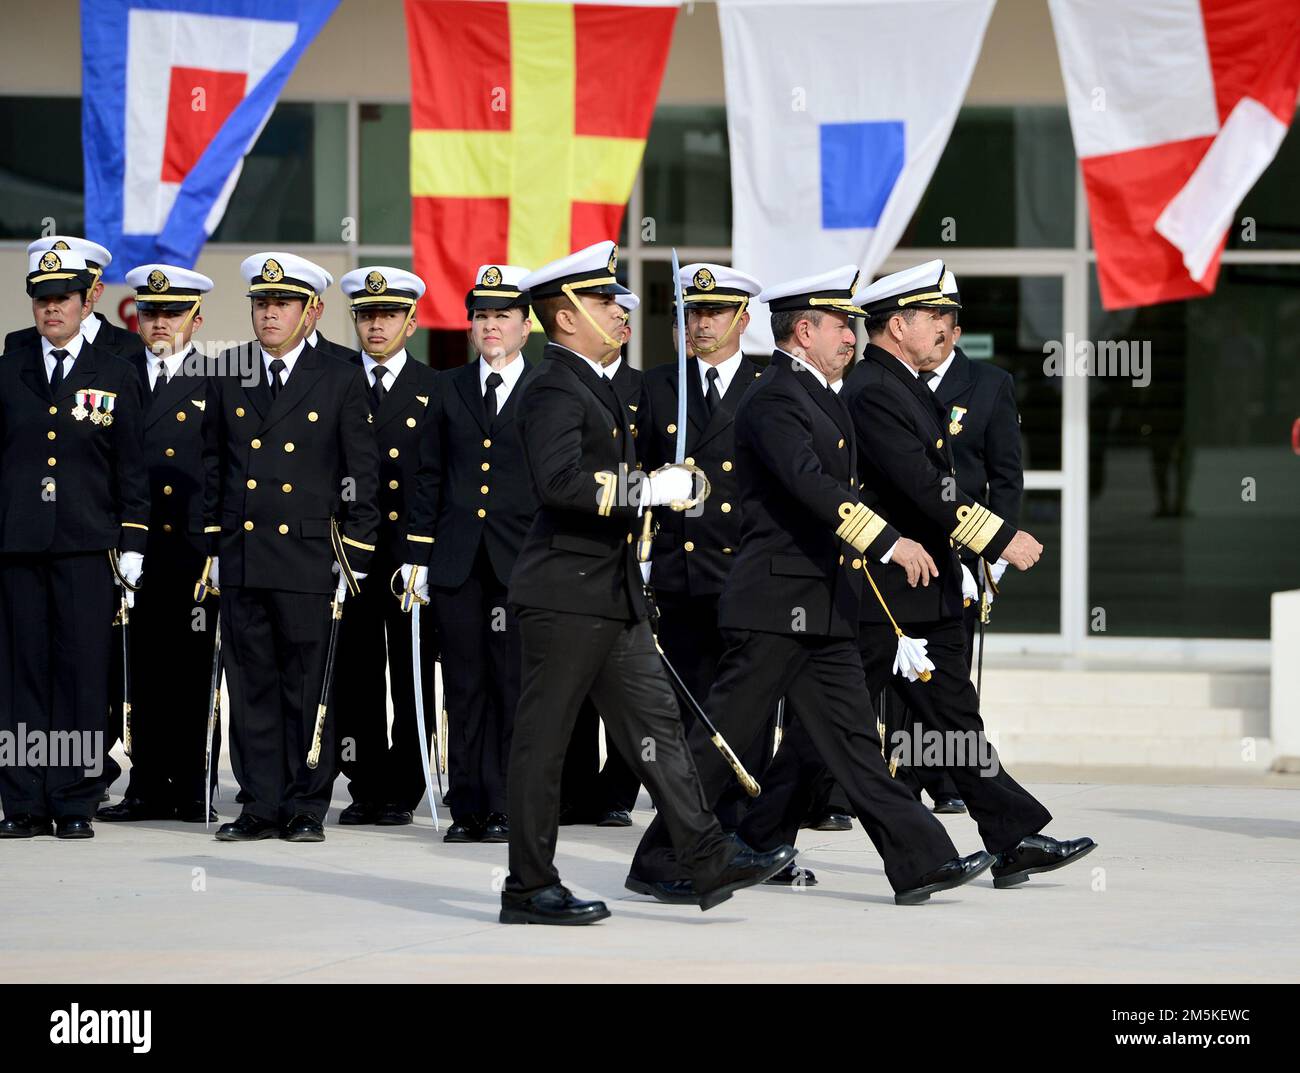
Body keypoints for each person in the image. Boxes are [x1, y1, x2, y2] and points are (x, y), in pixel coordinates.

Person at [626, 265, 993, 906]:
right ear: (804, 330)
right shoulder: (773, 398)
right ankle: (660, 857)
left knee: (855, 746)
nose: (852, 338)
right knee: (726, 738)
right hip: (775, 604)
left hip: (822, 605)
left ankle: (920, 861)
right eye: (841, 327)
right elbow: (808, 483)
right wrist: (887, 540)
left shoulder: (821, 393)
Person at [500, 240, 794, 925]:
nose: (621, 312)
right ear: (565, 315)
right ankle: (528, 886)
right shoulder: (552, 386)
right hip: (564, 592)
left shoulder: (597, 385)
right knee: (542, 743)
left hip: (613, 594)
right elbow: (560, 482)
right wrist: (646, 487)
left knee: (657, 729)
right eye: (605, 302)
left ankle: (705, 853)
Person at [843, 259, 1095, 888]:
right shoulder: (876, 388)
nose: (946, 330)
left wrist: (977, 556)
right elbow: (922, 487)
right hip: (888, 591)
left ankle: (1012, 838)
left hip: (924, 589)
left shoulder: (900, 382)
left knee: (953, 718)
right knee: (834, 730)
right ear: (898, 324)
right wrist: (998, 538)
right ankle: (743, 836)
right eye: (934, 317)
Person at [200, 251, 379, 843]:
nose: (269, 313)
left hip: (308, 557)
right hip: (246, 554)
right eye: (261, 303)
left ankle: (305, 804)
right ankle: (258, 803)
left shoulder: (341, 373)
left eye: (283, 303)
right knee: (250, 683)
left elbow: (362, 475)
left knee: (306, 685)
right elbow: (213, 469)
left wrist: (350, 553)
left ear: (314, 311)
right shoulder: (230, 370)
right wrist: (214, 548)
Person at [0, 246, 149, 838]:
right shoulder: (9, 368)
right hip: (18, 545)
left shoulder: (114, 371)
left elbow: (132, 466)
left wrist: (133, 542)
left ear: (83, 302)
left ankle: (73, 798)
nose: (50, 308)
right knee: (21, 676)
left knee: (82, 673)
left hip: (88, 543)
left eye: (61, 298)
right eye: (41, 299)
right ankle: (24, 800)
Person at [403, 264, 537, 843]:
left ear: (526, 325)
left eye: (502, 315)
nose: (491, 326)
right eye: (481, 316)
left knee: (513, 685)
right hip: (458, 562)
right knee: (463, 686)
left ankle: (506, 804)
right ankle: (468, 807)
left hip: (520, 563)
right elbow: (427, 474)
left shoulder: (547, 386)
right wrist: (418, 554)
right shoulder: (447, 386)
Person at [97, 264, 221, 823]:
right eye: (151, 312)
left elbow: (225, 468)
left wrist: (219, 548)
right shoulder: (115, 373)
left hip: (189, 551)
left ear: (197, 318)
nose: (161, 322)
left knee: (192, 672)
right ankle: (144, 785)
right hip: (128, 547)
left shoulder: (218, 381)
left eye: (173, 312)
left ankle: (192, 788)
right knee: (137, 670)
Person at [330, 266, 439, 827]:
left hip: (406, 556)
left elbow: (439, 478)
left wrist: (425, 555)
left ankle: (405, 783)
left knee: (411, 672)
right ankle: (365, 780)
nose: (377, 325)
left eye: (389, 314)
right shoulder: (335, 380)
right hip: (349, 554)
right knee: (357, 673)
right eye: (367, 315)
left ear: (411, 320)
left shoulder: (435, 388)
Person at [559, 288, 645, 828]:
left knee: (633, 695)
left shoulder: (643, 388)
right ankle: (572, 791)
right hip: (574, 559)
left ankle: (616, 791)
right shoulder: (562, 385)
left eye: (619, 316)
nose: (614, 322)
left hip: (631, 553)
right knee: (578, 688)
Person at [4, 237, 142, 360]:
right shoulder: (18, 343)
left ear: (97, 291)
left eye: (76, 286)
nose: (52, 304)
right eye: (46, 290)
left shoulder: (132, 346)